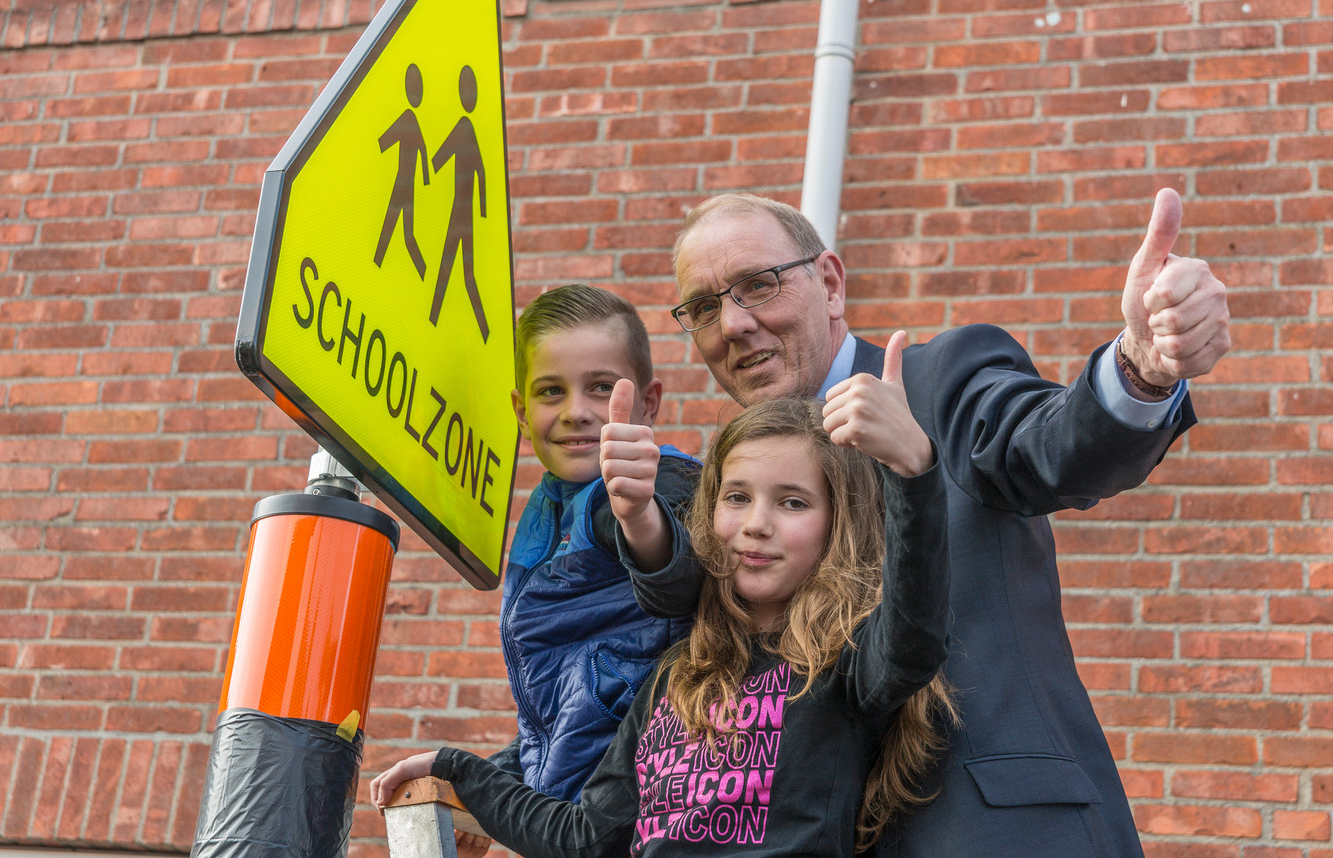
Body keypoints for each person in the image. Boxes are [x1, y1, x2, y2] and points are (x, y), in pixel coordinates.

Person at [663, 190, 1230, 856]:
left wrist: (1141, 365)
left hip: (1000, 831)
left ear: (830, 283)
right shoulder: (733, 491)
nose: (732, 324)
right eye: (703, 307)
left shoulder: (939, 384)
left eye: (758, 285)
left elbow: (1051, 447)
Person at [374, 397, 954, 857]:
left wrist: (911, 470)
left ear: (838, 525)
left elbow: (914, 635)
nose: (756, 524)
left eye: (793, 503)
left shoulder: (846, 662)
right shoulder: (674, 678)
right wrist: (458, 769)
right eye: (737, 497)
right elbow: (584, 838)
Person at [373, 285, 702, 842]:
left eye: (601, 387)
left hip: (651, 810)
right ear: (521, 412)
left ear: (648, 404)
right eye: (552, 391)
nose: (576, 412)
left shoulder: (650, 487)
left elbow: (677, 574)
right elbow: (570, 714)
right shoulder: (548, 508)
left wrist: (639, 516)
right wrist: (502, 773)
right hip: (574, 806)